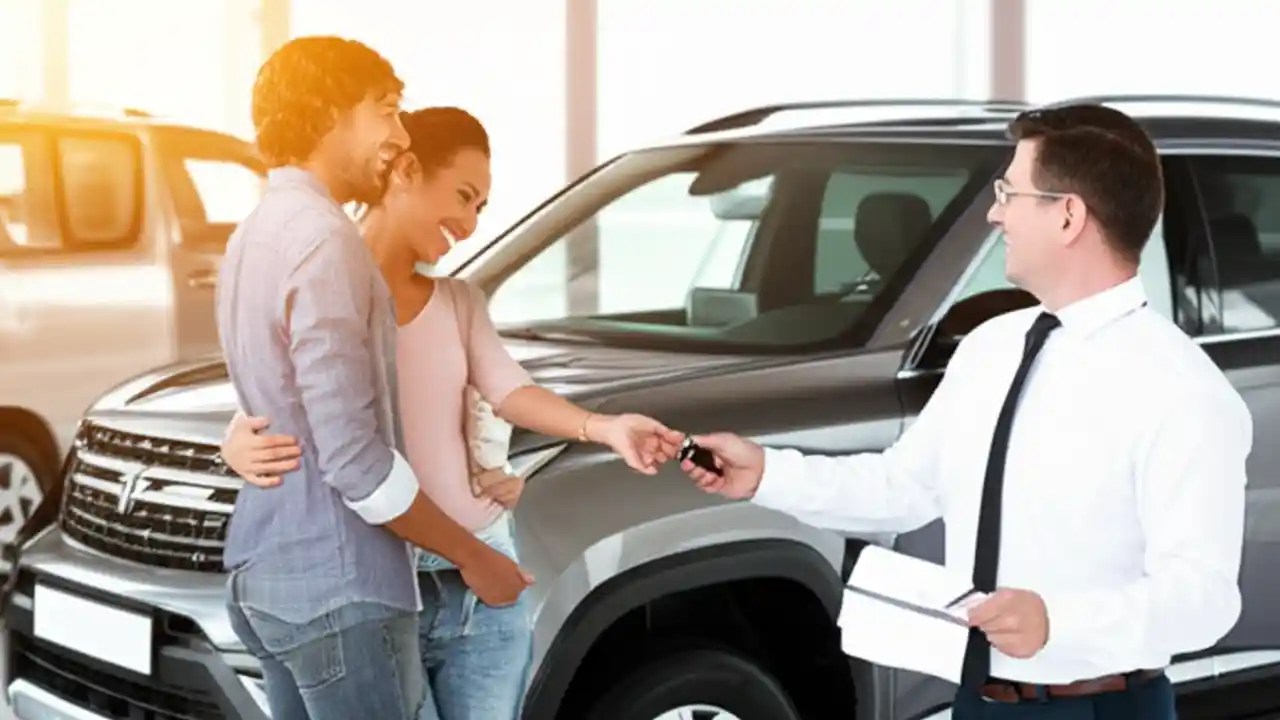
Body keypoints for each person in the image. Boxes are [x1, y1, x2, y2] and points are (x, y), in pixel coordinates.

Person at [676, 104, 1252, 719]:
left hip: (1100, 709)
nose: (995, 211)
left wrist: (1059, 622)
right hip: (976, 702)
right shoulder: (989, 348)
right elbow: (905, 487)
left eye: (1009, 191)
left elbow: (1204, 598)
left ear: (1068, 215)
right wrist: (765, 473)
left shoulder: (1182, 391)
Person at [221, 106, 685, 719]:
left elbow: (512, 390)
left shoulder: (459, 302)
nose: (468, 224)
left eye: (480, 209)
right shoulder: (321, 275)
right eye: (463, 197)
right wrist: (232, 441)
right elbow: (285, 395)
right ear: (406, 169)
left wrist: (604, 428)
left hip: (478, 591)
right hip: (378, 587)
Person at [217, 39, 535, 720]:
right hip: (339, 596)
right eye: (387, 110)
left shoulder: (253, 233)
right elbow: (357, 462)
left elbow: (274, 396)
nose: (399, 135)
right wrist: (473, 557)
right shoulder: (326, 241)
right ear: (330, 113)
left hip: (262, 580)